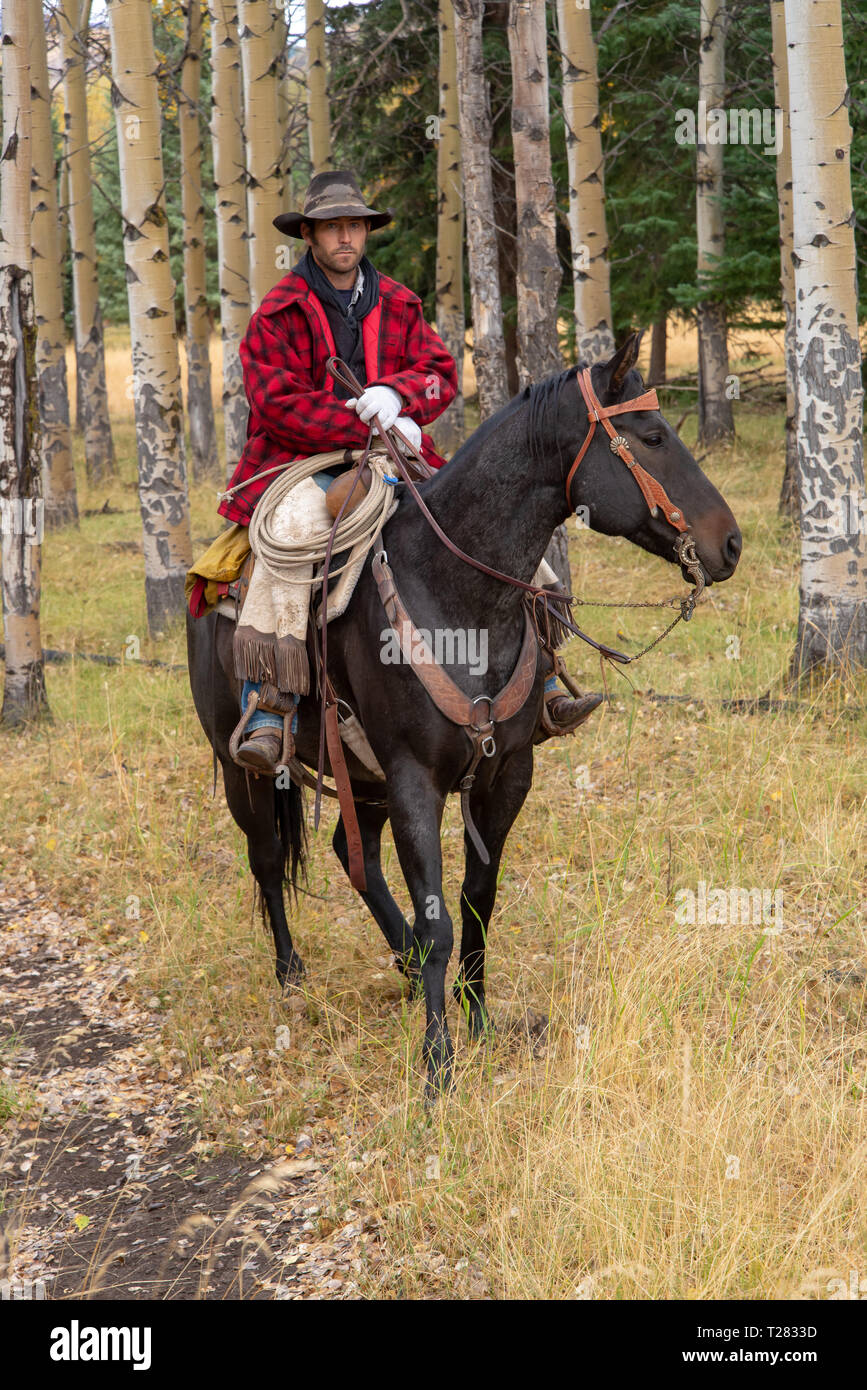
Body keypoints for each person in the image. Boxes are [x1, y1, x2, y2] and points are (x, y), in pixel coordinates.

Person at [217, 170, 599, 773]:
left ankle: (546, 673)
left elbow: (439, 371)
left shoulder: (399, 302)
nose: (345, 237)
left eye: (354, 226)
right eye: (332, 227)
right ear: (310, 235)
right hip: (299, 459)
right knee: (289, 536)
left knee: (489, 521)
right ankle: (271, 702)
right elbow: (274, 402)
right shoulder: (277, 312)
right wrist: (358, 421)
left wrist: (397, 397)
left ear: (365, 232)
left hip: (394, 450)